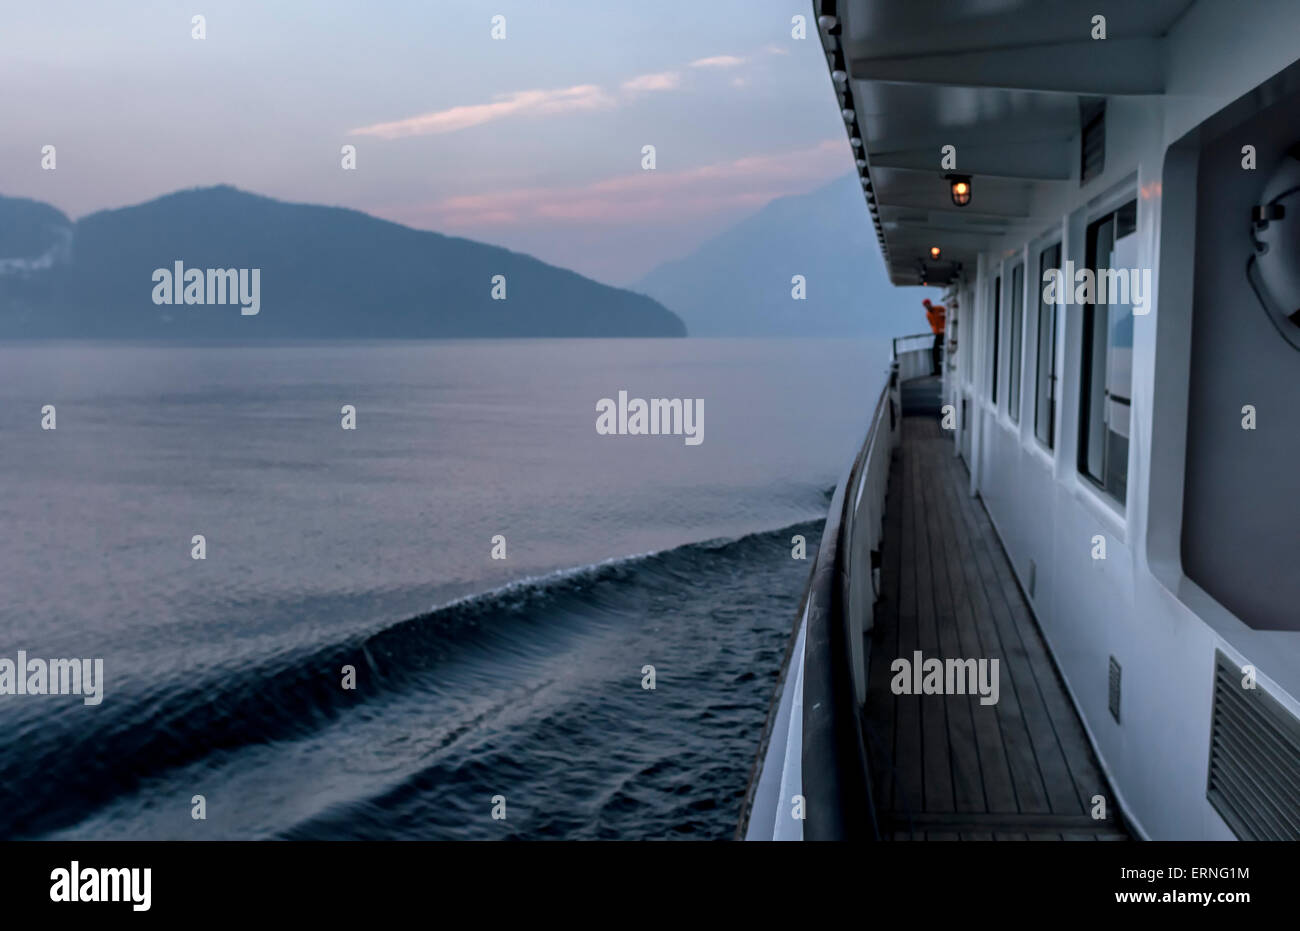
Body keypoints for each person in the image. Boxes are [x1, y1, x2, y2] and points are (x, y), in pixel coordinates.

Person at [923, 298, 946, 375]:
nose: (927, 306)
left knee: (939, 350)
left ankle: (940, 370)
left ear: (930, 303)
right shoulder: (928, 314)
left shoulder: (939, 309)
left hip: (944, 333)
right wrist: (935, 331)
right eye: (925, 305)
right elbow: (931, 324)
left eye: (927, 304)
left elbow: (948, 316)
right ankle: (937, 370)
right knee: (935, 352)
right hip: (938, 334)